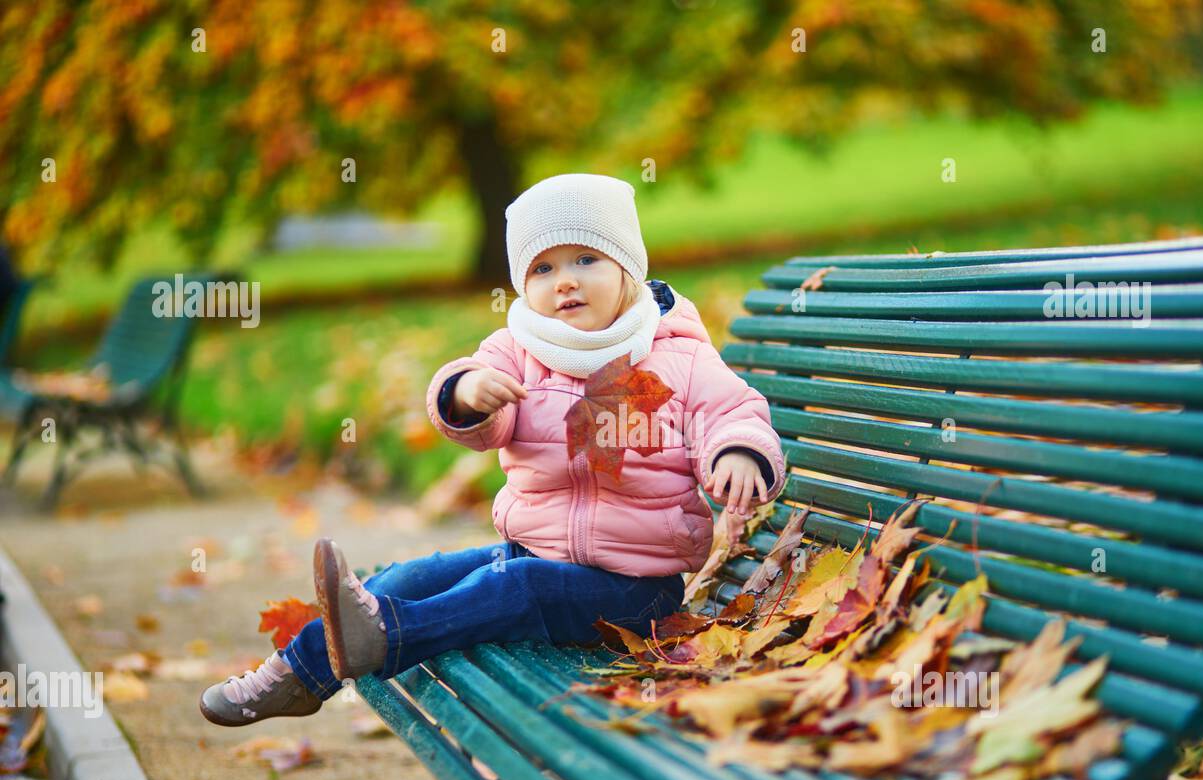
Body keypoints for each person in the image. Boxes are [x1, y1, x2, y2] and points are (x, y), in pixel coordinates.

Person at [200, 173, 786, 726]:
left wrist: (738, 452)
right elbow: (474, 410)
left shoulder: (676, 356)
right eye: (543, 268)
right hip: (530, 552)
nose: (566, 280)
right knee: (409, 576)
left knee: (512, 590)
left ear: (628, 269)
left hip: (633, 594)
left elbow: (733, 412)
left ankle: (384, 639)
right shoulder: (519, 348)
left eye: (587, 259)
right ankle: (293, 675)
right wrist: (466, 393)